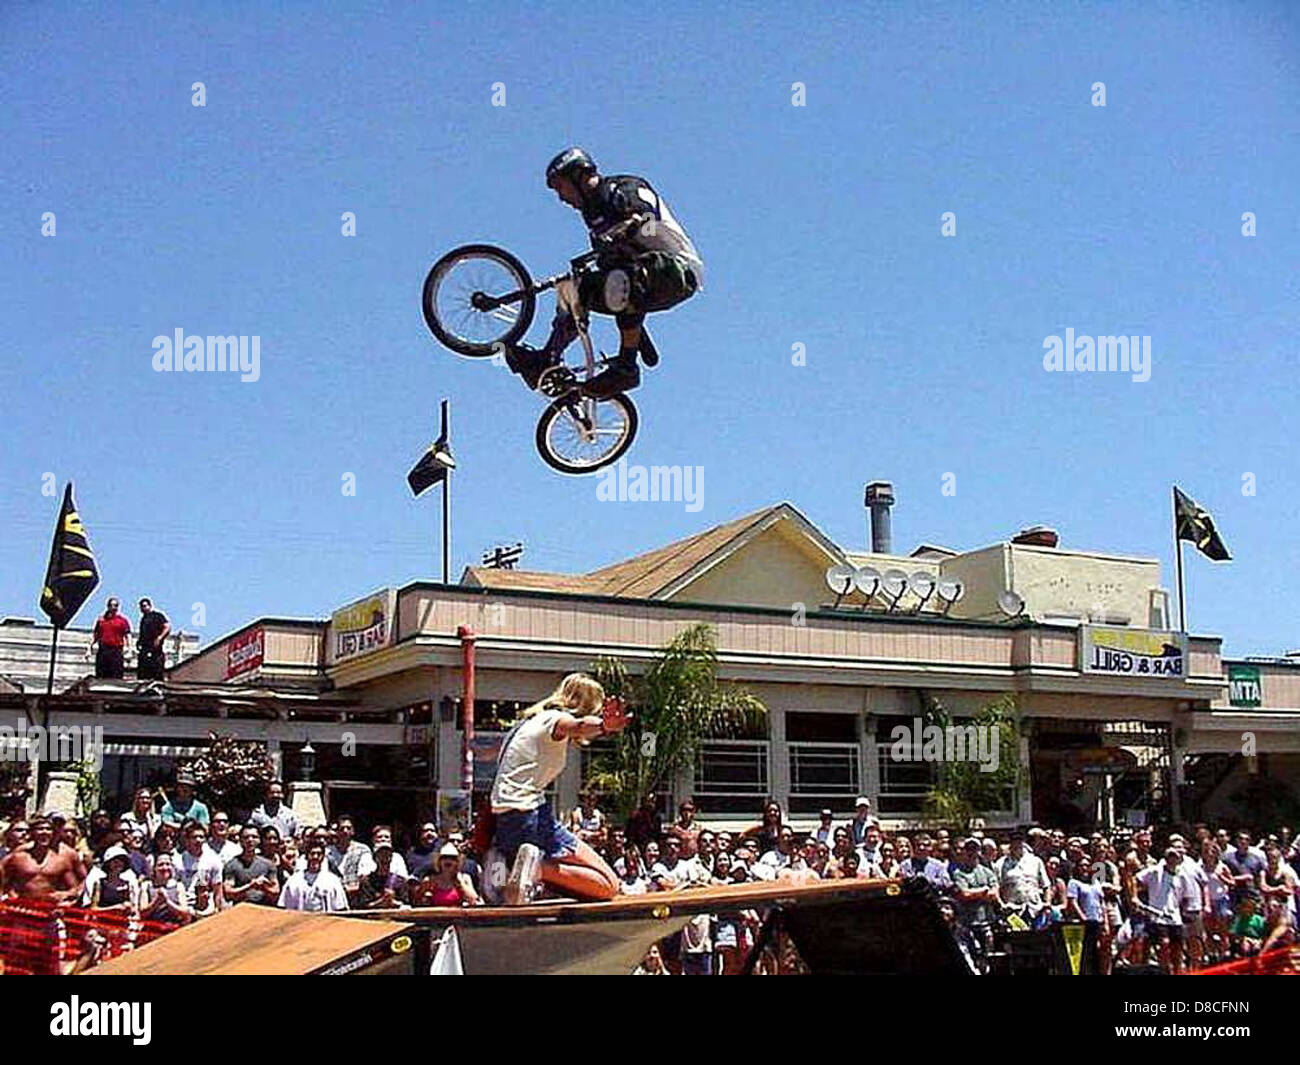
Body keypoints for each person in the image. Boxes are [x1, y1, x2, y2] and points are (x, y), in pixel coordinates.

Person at [506, 148, 703, 400]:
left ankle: (626, 368)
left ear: (578, 175)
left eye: (561, 187)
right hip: (638, 277)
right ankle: (548, 358)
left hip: (678, 273)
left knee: (624, 276)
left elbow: (648, 215)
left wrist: (630, 226)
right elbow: (610, 263)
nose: (561, 198)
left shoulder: (624, 188)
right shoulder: (593, 216)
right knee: (576, 287)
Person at [488, 673, 629, 904]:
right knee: (608, 886)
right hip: (530, 815)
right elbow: (579, 725)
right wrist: (604, 726)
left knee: (584, 886)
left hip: (506, 820)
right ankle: (535, 867)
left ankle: (509, 868)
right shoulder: (554, 719)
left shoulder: (525, 724)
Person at [279, 842, 349, 912]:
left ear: (323, 857)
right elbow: (283, 907)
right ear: (306, 856)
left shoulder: (333, 881)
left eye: (319, 854)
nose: (315, 857)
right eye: (312, 854)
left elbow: (341, 908)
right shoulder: (293, 880)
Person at [223, 826, 280, 907]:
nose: (250, 840)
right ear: (240, 841)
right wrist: (250, 886)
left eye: (254, 837)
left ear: (259, 840)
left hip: (264, 909)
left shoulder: (269, 865)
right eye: (246, 837)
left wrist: (263, 887)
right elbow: (228, 893)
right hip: (241, 910)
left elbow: (276, 892)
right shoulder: (231, 865)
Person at [410, 842, 481, 907]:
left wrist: (460, 883)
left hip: (459, 918)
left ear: (457, 862)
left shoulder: (465, 878)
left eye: (452, 858)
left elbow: (474, 901)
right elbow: (416, 901)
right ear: (439, 862)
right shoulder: (430, 880)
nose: (448, 860)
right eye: (444, 857)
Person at [139, 853, 192, 926]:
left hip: (174, 927)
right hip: (154, 929)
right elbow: (142, 914)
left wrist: (167, 902)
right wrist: (156, 902)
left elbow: (185, 913)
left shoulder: (178, 886)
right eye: (161, 865)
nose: (165, 867)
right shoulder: (146, 886)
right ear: (154, 868)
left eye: (168, 864)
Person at [91, 597, 130, 679]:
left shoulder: (122, 620)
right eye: (111, 605)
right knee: (101, 675)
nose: (113, 608)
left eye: (116, 606)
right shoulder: (101, 620)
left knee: (116, 675)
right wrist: (89, 647)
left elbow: (127, 635)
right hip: (103, 650)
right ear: (108, 606)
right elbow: (96, 634)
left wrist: (129, 649)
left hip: (116, 650)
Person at [135, 597, 171, 680]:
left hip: (156, 651)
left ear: (150, 606)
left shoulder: (157, 616)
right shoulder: (143, 619)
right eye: (141, 607)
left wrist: (160, 638)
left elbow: (167, 627)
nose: (143, 608)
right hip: (144, 650)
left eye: (145, 606)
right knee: (143, 674)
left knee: (156, 673)